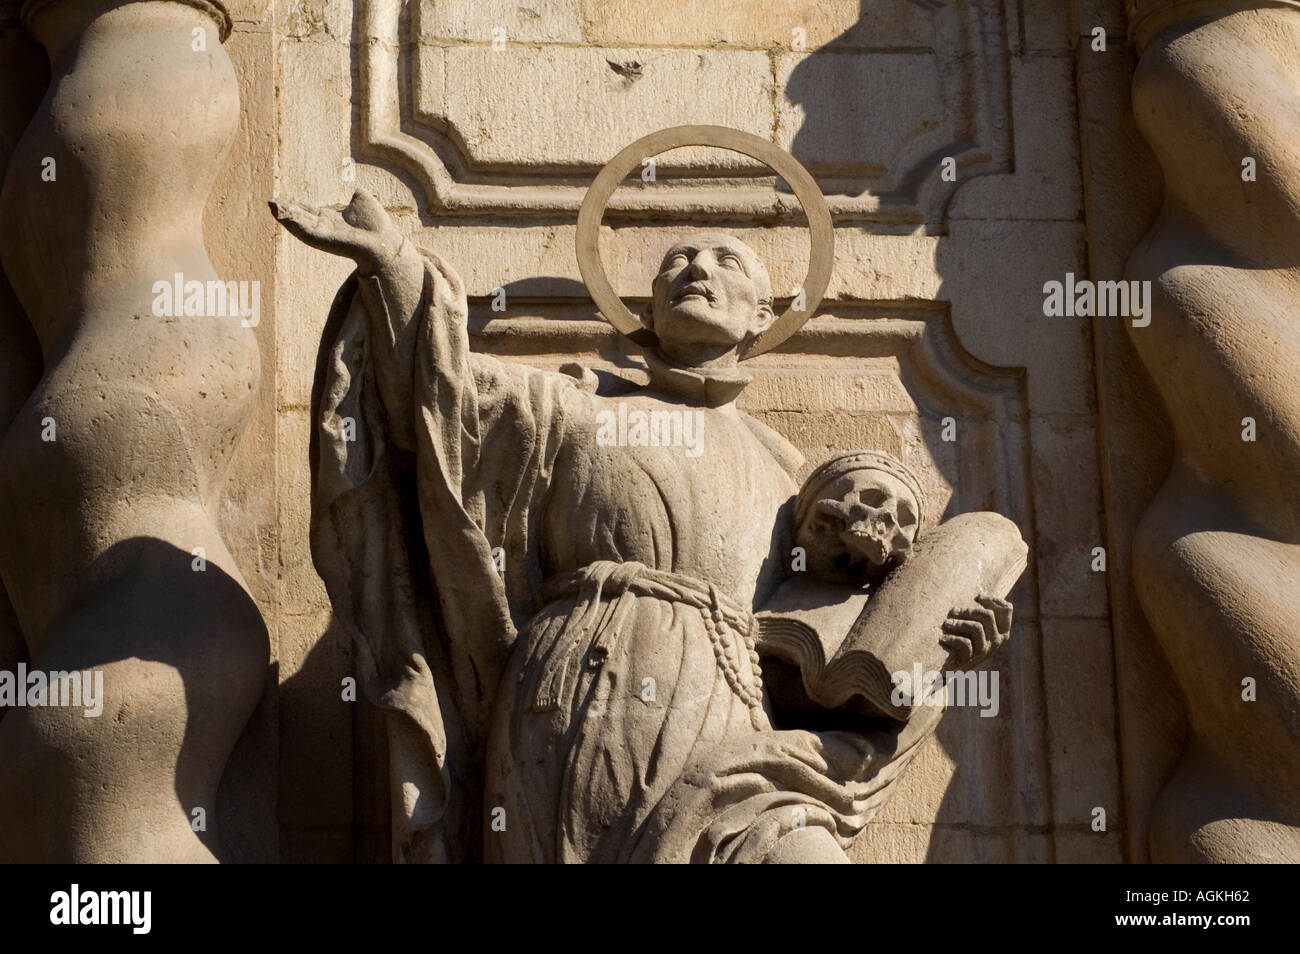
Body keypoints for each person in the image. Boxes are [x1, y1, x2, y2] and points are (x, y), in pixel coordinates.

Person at [271, 189, 1008, 863]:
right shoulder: (573, 407)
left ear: (761, 314)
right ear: (648, 311)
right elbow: (444, 395)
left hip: (732, 723)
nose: (697, 269)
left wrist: (931, 649)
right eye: (677, 262)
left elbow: (824, 653)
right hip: (568, 700)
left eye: (727, 260)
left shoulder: (794, 480)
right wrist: (394, 266)